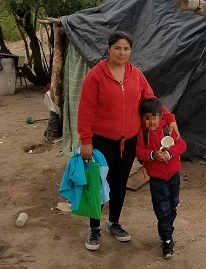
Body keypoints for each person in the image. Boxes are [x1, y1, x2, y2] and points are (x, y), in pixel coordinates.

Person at [77, 30, 180, 251]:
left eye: (126, 49)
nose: (122, 53)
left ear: (130, 51)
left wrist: (169, 118)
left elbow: (151, 101)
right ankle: (94, 228)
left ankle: (113, 223)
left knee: (118, 184)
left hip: (129, 141)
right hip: (102, 141)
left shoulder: (136, 75)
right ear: (109, 48)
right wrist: (86, 140)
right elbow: (85, 110)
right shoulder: (95, 76)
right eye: (117, 48)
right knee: (98, 184)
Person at [135, 98, 186, 259]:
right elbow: (139, 152)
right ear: (142, 118)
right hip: (157, 178)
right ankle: (167, 239)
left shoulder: (167, 129)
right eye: (147, 119)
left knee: (173, 204)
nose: (151, 122)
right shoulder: (142, 134)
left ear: (160, 116)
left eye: (155, 118)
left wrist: (170, 154)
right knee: (162, 208)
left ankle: (167, 229)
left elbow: (181, 145)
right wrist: (153, 155)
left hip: (173, 175)